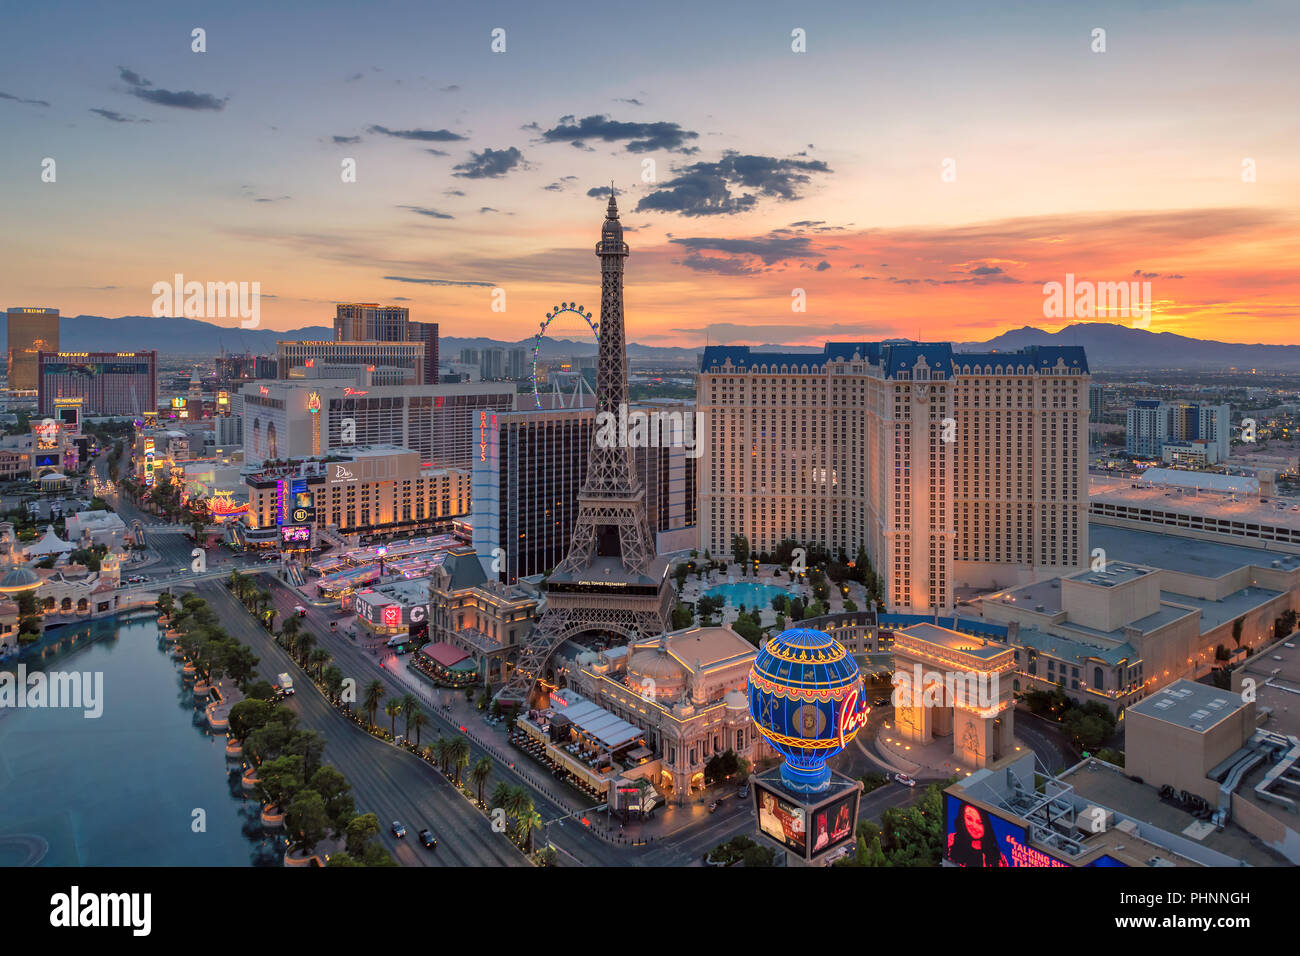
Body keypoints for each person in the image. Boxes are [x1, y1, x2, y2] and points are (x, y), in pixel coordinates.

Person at [947, 802, 1009, 867]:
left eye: (979, 822)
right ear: (962, 818)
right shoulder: (950, 842)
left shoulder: (998, 857)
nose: (974, 826)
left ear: (986, 826)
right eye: (969, 818)